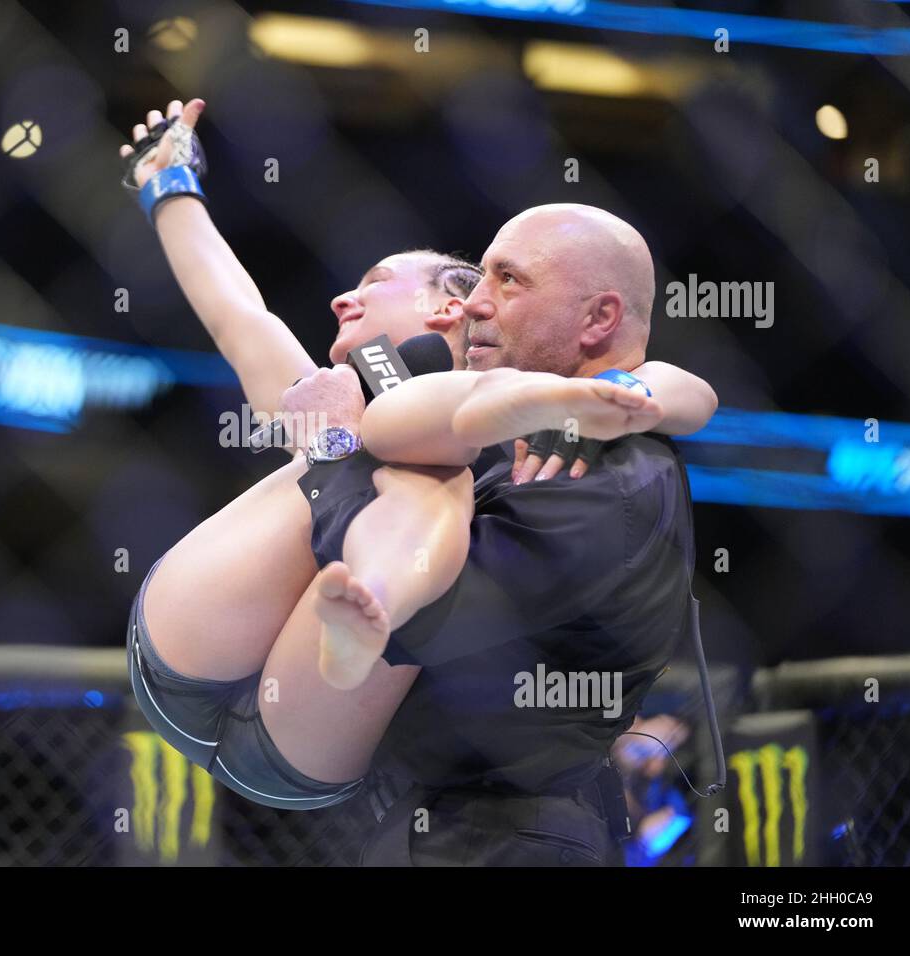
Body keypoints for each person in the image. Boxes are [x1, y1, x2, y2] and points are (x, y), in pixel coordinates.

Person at [118, 100, 715, 830]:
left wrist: (619, 395)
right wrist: (167, 184)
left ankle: (371, 603)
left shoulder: (540, 430)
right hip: (195, 650)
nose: (345, 296)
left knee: (431, 467)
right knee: (401, 448)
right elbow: (238, 317)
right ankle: (373, 597)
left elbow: (687, 390)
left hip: (312, 741)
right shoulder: (346, 398)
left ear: (448, 310)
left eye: (375, 281)